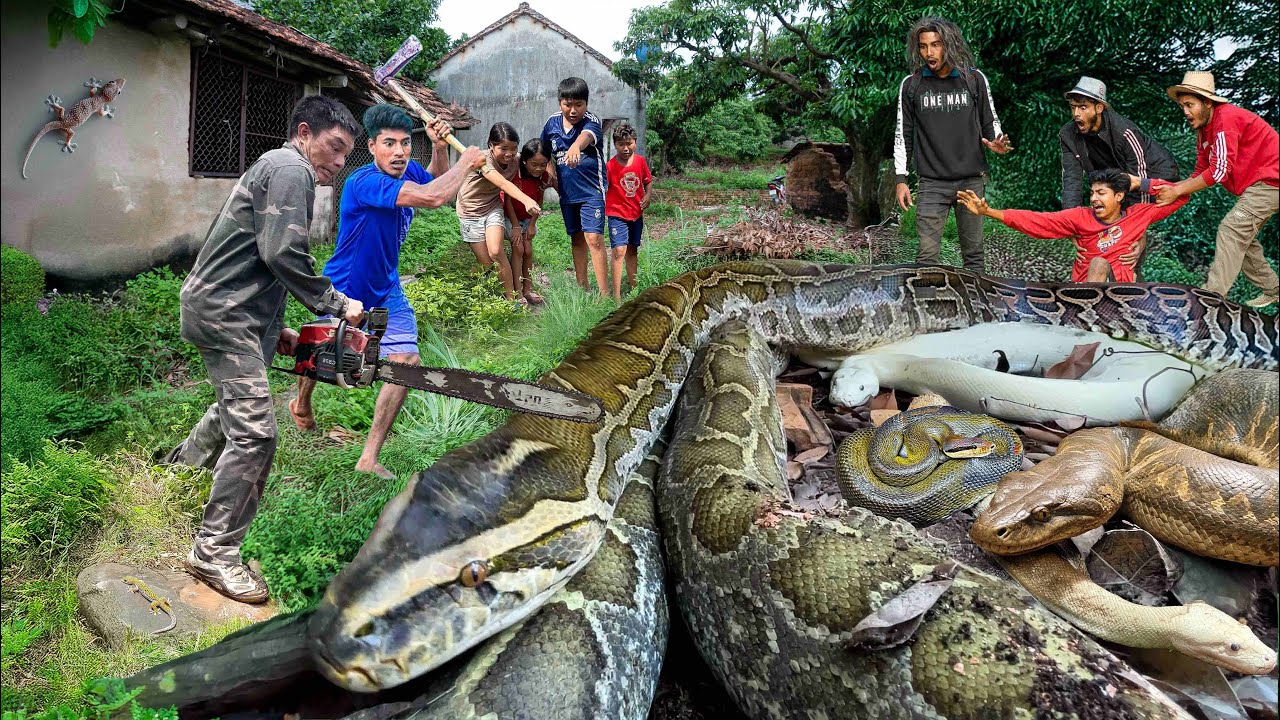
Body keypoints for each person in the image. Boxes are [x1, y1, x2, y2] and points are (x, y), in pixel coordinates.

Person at [163, 95, 364, 603]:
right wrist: (336, 304)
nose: (340, 163)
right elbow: (281, 254)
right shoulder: (289, 167)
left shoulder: (279, 168)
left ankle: (180, 469)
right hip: (224, 313)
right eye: (335, 148)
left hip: (228, 308)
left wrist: (278, 335)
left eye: (346, 154)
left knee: (234, 404)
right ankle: (213, 552)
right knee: (256, 433)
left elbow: (256, 261)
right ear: (304, 133)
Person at [288, 103, 486, 479]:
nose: (399, 152)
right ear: (374, 147)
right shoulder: (363, 182)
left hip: (387, 286)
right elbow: (433, 197)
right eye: (389, 144)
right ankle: (300, 403)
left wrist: (441, 148)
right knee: (321, 356)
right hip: (346, 286)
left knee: (406, 364)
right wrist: (468, 162)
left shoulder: (406, 169)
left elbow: (430, 182)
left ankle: (369, 456)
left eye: (406, 144)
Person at [893, 16, 1012, 272]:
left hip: (970, 181)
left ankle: (977, 309)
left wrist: (996, 141)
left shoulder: (973, 79)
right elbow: (903, 132)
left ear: (949, 44)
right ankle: (925, 309)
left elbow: (990, 119)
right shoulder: (912, 85)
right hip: (932, 183)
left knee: (973, 254)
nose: (929, 52)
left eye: (935, 45)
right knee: (926, 256)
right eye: (923, 46)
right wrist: (900, 178)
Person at [1155, 71, 1279, 307]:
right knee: (1242, 240)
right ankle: (1274, 290)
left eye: (1190, 105)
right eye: (1182, 106)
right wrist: (1174, 189)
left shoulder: (1225, 120)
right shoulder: (1204, 130)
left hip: (1271, 184)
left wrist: (1178, 191)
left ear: (1208, 102)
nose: (1186, 112)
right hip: (1259, 187)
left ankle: (1210, 301)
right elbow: (1202, 168)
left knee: (1231, 230)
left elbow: (1220, 171)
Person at [957, 169, 1188, 282]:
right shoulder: (1079, 217)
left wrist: (1141, 182)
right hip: (1080, 291)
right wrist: (988, 212)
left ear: (1119, 196)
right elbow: (1037, 221)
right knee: (1095, 265)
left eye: (1101, 193)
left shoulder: (1138, 215)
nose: (1094, 198)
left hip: (1120, 291)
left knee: (1100, 263)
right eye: (1092, 193)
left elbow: (1181, 196)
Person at [1059, 76, 1179, 210]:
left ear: (1099, 108)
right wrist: (1068, 217)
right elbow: (1072, 179)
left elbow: (1139, 178)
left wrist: (1137, 217)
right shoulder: (1068, 135)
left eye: (1083, 107)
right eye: (1073, 107)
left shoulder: (1124, 131)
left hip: (1157, 173)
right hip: (1118, 173)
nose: (1076, 114)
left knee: (1131, 217)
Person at [456, 122, 543, 301]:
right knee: (486, 263)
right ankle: (468, 279)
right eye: (503, 148)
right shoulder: (482, 161)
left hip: (493, 207)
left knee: (496, 251)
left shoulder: (516, 159)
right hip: (470, 212)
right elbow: (502, 183)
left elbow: (539, 160)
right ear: (491, 146)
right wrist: (526, 199)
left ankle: (513, 298)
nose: (509, 154)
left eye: (513, 148)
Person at [541, 77, 609, 296]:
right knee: (577, 239)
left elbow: (587, 136)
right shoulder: (551, 124)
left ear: (586, 104)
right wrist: (550, 176)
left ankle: (605, 295)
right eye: (567, 104)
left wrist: (575, 148)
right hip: (567, 194)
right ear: (560, 102)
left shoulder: (592, 121)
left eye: (578, 105)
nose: (572, 110)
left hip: (592, 191)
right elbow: (543, 153)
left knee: (594, 238)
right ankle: (583, 289)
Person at [604, 122, 652, 301]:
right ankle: (615, 297)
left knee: (632, 250)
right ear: (615, 144)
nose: (625, 148)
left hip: (636, 213)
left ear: (635, 142)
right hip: (617, 214)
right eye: (621, 144)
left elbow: (648, 181)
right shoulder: (610, 166)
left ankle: (633, 290)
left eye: (629, 143)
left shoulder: (640, 162)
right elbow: (603, 188)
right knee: (619, 250)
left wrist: (647, 196)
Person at [509, 138, 555, 305]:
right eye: (534, 164)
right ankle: (517, 292)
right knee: (518, 248)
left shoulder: (543, 177)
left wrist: (532, 224)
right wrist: (515, 226)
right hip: (510, 216)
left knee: (528, 250)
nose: (538, 168)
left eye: (543, 164)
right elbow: (507, 200)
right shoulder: (514, 173)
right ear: (524, 160)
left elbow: (539, 200)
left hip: (527, 218)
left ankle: (528, 289)